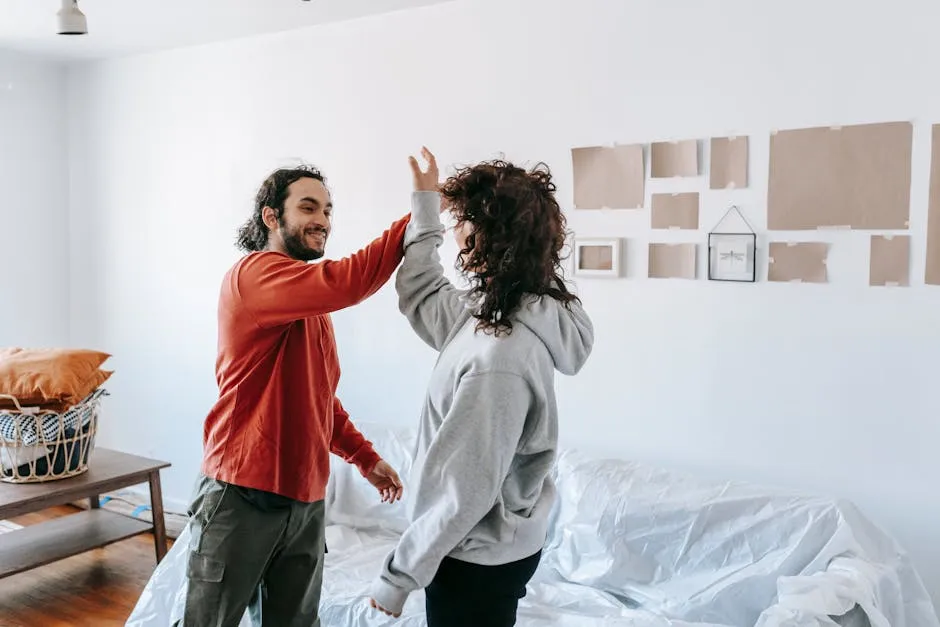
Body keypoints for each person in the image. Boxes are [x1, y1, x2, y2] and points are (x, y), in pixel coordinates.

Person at [368, 148, 595, 625]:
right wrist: (425, 202)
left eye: (465, 220)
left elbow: (464, 488)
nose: (455, 231)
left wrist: (399, 576)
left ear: (491, 235)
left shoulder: (500, 356)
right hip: (488, 549)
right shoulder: (493, 313)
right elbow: (422, 290)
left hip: (474, 560)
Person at [179, 163, 407, 627]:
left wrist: (366, 459)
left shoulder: (308, 307)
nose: (322, 219)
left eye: (327, 209)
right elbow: (348, 281)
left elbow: (320, 398)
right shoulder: (254, 276)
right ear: (270, 217)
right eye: (307, 207)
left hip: (304, 502)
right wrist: (416, 217)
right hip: (241, 495)